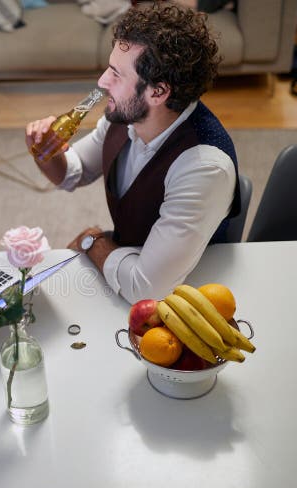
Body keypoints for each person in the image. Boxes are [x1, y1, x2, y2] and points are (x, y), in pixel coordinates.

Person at [25, 2, 240, 303]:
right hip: (127, 265)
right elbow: (72, 173)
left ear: (158, 92)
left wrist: (93, 241)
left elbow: (147, 288)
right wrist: (44, 150)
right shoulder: (127, 117)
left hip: (188, 295)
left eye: (116, 74)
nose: (102, 82)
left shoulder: (203, 167)